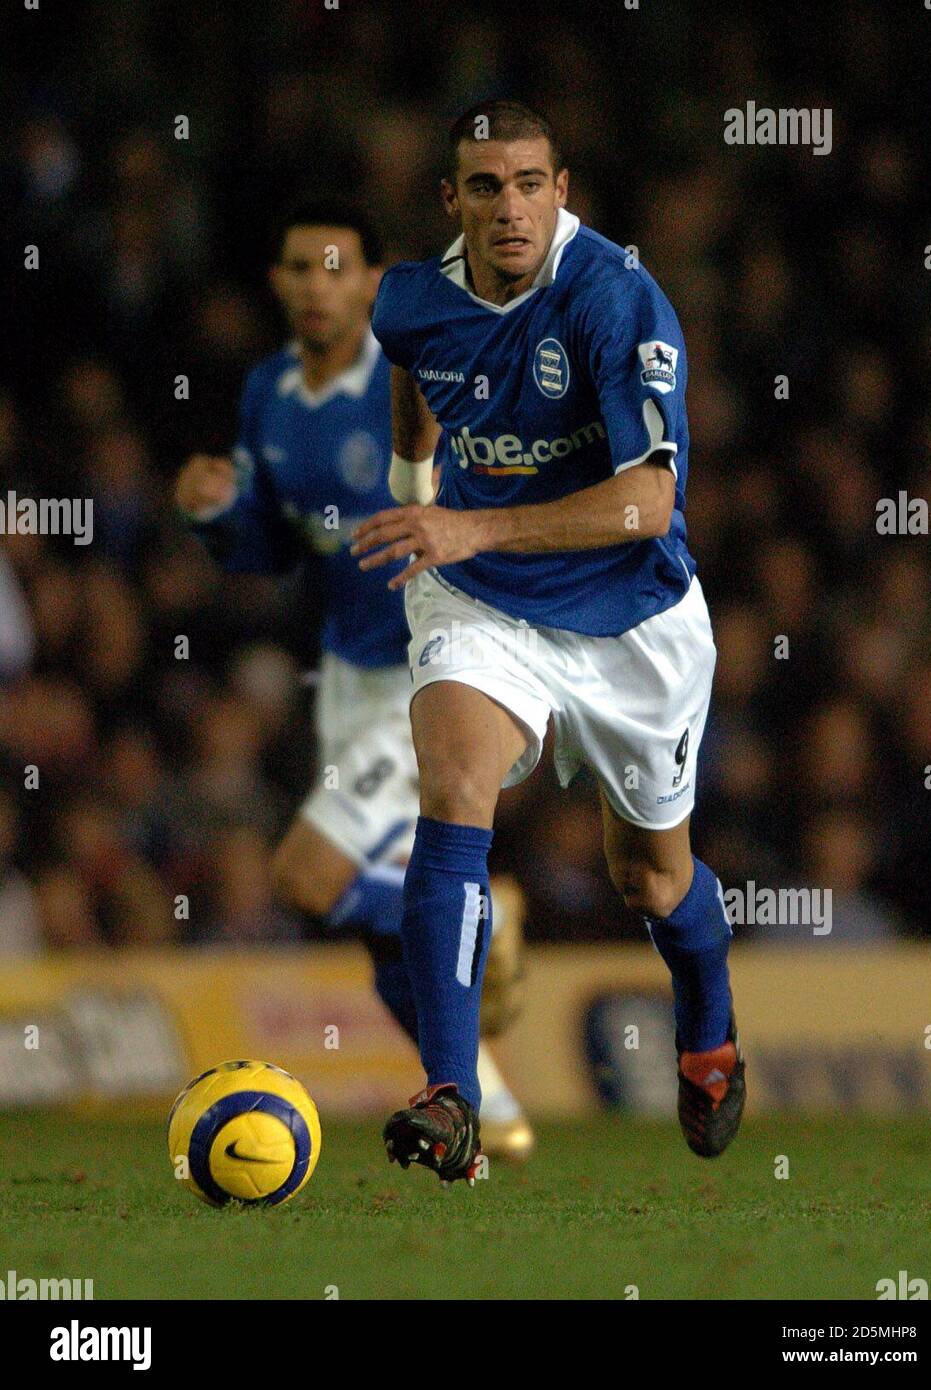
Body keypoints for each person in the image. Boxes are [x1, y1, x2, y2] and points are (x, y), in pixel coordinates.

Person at [352, 101, 744, 1184]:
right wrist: (410, 487)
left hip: (633, 621)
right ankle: (451, 1097)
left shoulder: (615, 297)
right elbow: (410, 364)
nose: (509, 206)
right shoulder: (414, 300)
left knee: (651, 880)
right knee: (454, 782)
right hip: (480, 601)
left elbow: (650, 502)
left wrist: (465, 519)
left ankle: (707, 1029)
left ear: (560, 189)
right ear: (454, 201)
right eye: (485, 186)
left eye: (528, 182)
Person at [175, 198, 532, 1160]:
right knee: (375, 926)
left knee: (306, 875)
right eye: (297, 267)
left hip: (434, 672)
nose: (314, 286)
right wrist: (217, 514)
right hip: (345, 677)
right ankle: (479, 1103)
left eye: (335, 267)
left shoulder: (420, 382)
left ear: (375, 282)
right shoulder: (269, 393)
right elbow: (269, 552)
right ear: (278, 283)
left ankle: (482, 931)